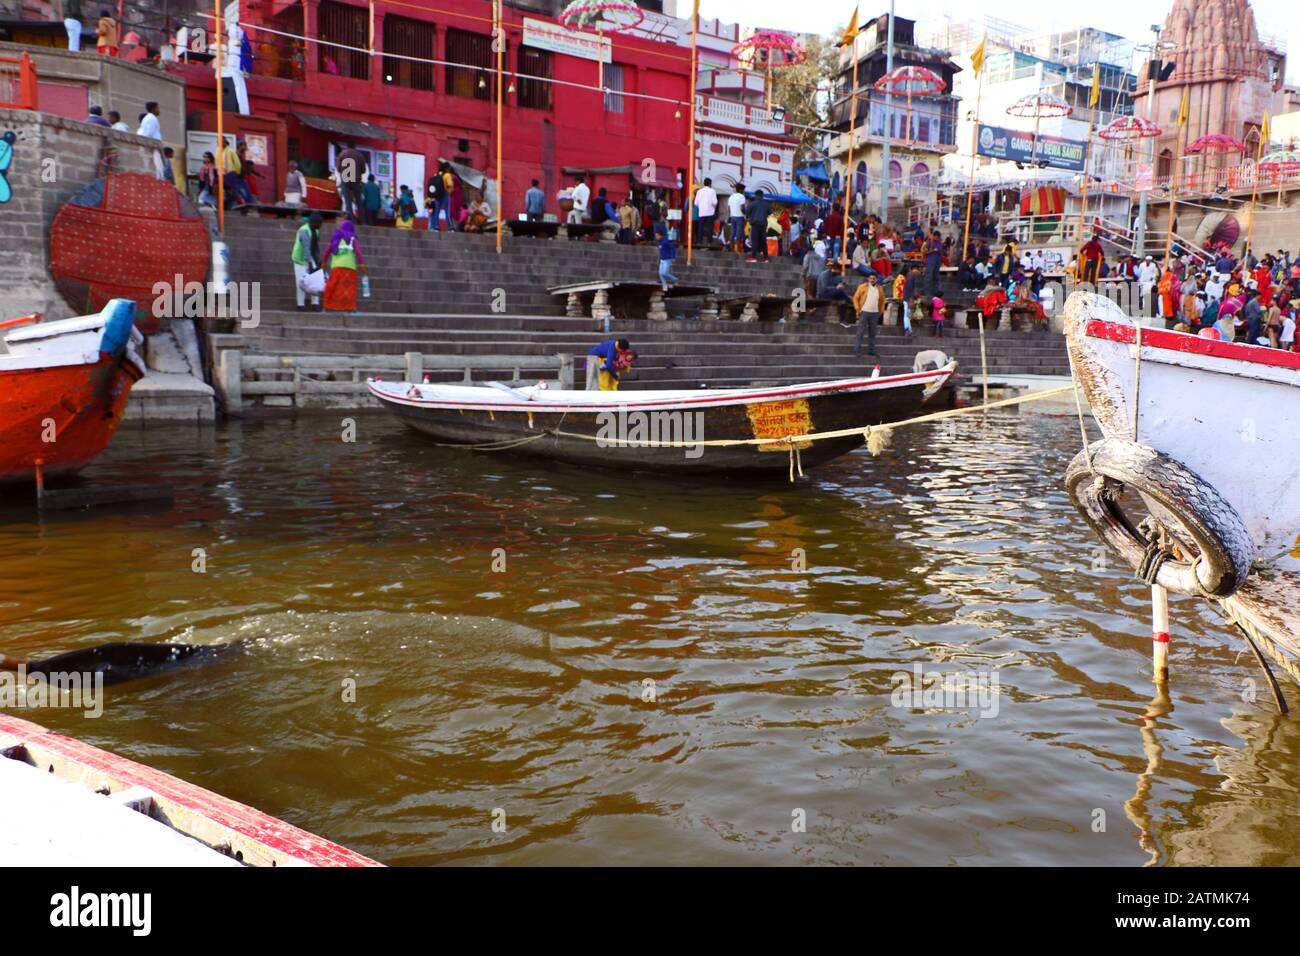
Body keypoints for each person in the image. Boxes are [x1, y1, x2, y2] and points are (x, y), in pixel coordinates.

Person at [323, 219, 365, 312]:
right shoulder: (353, 238)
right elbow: (358, 252)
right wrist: (361, 264)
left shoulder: (335, 237)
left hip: (336, 267)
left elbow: (327, 250)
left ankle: (327, 306)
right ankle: (351, 308)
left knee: (332, 286)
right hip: (350, 268)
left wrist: (324, 262)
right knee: (349, 289)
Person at [291, 211, 323, 311]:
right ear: (313, 223)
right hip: (300, 260)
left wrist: (318, 260)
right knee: (301, 283)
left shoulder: (316, 230)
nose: (320, 226)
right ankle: (300, 305)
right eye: (319, 224)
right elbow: (306, 249)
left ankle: (315, 304)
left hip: (312, 259)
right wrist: (312, 263)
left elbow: (316, 247)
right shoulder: (304, 231)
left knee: (316, 282)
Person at [852, 273, 884, 357]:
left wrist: (880, 311)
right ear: (868, 279)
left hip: (875, 313)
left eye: (874, 278)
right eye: (871, 278)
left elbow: (882, 301)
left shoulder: (880, 288)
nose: (872, 280)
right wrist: (858, 309)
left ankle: (871, 350)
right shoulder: (863, 287)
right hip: (864, 311)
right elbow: (855, 298)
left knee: (873, 333)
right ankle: (857, 349)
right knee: (860, 332)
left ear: (876, 279)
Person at [335, 142, 367, 221]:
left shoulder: (342, 154)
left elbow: (338, 168)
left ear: (347, 146)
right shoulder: (359, 155)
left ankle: (352, 220)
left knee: (348, 201)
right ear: (355, 147)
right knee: (358, 201)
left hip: (345, 180)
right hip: (356, 181)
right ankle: (363, 220)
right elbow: (363, 170)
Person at [746, 189, 771, 262]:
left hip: (755, 224)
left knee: (755, 240)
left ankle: (754, 257)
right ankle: (766, 258)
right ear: (762, 195)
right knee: (763, 241)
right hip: (763, 224)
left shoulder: (752, 203)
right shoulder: (766, 204)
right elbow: (770, 213)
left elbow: (747, 212)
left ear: (756, 195)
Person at [695, 177, 717, 248]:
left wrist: (701, 207)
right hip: (710, 212)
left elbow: (696, 203)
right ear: (710, 184)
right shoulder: (712, 191)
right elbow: (715, 202)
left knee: (700, 227)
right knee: (709, 227)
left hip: (701, 212)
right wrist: (713, 206)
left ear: (704, 183)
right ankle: (709, 242)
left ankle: (699, 242)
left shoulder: (699, 191)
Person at [923, 229, 943, 298]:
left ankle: (937, 292)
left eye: (938, 237)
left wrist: (939, 251)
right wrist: (933, 250)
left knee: (936, 278)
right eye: (936, 237)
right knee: (928, 277)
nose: (937, 238)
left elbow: (941, 252)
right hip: (930, 262)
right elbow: (925, 252)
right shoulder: (929, 242)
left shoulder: (940, 243)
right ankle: (926, 292)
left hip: (937, 263)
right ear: (934, 236)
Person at [727, 186, 746, 253]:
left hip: (732, 217)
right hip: (740, 217)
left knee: (732, 234)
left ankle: (732, 250)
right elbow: (742, 208)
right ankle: (738, 250)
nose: (743, 191)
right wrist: (745, 215)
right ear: (740, 189)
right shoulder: (741, 196)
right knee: (739, 234)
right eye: (743, 190)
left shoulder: (731, 197)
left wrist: (731, 215)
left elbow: (729, 208)